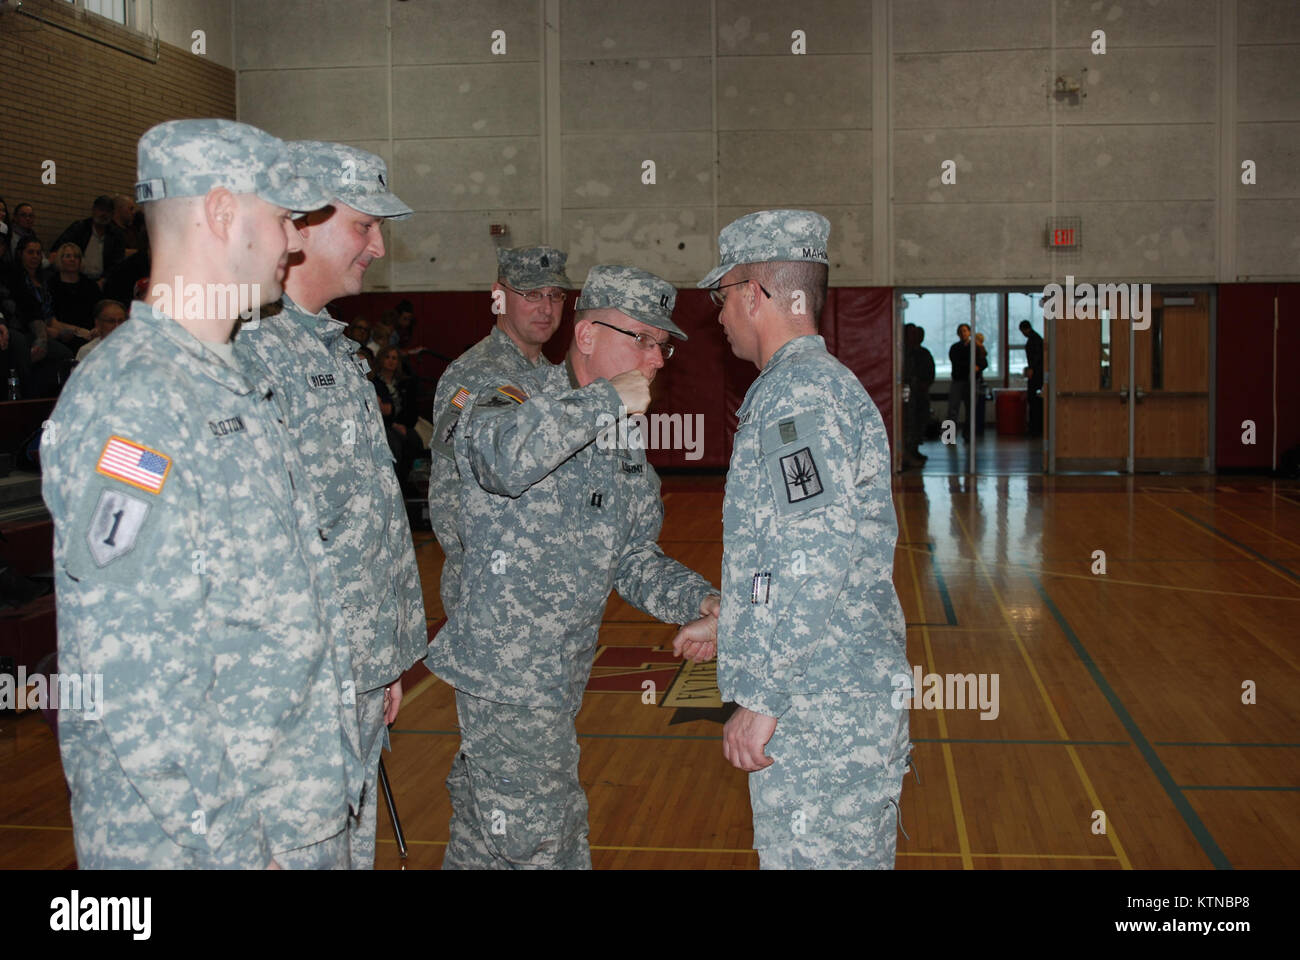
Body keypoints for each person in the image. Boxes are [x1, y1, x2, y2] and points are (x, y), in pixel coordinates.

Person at [40, 118, 365, 869]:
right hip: (203, 846)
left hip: (283, 818)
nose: (292, 242)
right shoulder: (137, 400)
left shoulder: (227, 379)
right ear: (222, 214)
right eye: (284, 218)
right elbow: (136, 677)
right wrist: (240, 850)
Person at [428, 264, 721, 869]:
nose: (657, 357)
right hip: (506, 676)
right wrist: (605, 400)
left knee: (487, 846)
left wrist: (700, 600)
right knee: (546, 845)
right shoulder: (509, 397)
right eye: (639, 337)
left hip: (559, 675)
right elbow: (502, 460)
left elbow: (635, 555)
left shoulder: (617, 431)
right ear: (586, 336)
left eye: (662, 343)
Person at [233, 140, 427, 869]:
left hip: (352, 674)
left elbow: (357, 518)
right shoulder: (243, 347)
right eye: (363, 225)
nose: (378, 246)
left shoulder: (333, 350)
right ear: (302, 224)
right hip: (293, 697)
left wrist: (378, 665)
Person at [699, 209, 910, 869]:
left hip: (823, 714)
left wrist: (765, 696)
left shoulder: (797, 399)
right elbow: (787, 556)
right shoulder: (805, 388)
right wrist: (733, 620)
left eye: (723, 296)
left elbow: (815, 558)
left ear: (756, 295)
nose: (719, 315)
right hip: (829, 702)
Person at [427, 245, 570, 617]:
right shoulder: (473, 375)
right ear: (499, 297)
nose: (546, 307)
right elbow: (447, 492)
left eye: (555, 295)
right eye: (531, 294)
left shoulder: (555, 379)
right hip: (492, 596)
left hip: (548, 589)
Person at [373, 344, 421, 490]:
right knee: (395, 443)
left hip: (403, 424)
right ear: (380, 359)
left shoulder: (405, 384)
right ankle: (393, 485)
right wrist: (392, 424)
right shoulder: (374, 383)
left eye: (394, 358)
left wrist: (404, 426)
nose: (391, 361)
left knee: (414, 440)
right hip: (383, 426)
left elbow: (411, 410)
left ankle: (408, 483)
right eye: (387, 357)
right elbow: (379, 412)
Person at [52, 195, 126, 283]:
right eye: (101, 210)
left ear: (112, 214)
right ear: (93, 210)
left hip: (103, 281)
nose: (104, 214)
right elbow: (59, 248)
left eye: (108, 211)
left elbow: (117, 263)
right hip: (77, 279)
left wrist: (104, 280)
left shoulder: (116, 235)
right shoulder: (79, 228)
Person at [47, 243, 99, 348]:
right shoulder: (50, 284)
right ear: (60, 260)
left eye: (76, 256)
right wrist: (77, 331)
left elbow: (99, 310)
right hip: (62, 334)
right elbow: (49, 317)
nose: (72, 259)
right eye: (68, 256)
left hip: (90, 334)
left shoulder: (90, 285)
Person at [902, 323, 934, 469]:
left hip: (922, 393)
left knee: (921, 421)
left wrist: (925, 384)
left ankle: (915, 449)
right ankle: (908, 453)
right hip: (909, 394)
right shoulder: (902, 352)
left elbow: (930, 371)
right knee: (909, 422)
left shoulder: (923, 353)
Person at [946, 323, 973, 440]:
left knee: (970, 410)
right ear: (958, 334)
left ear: (970, 332)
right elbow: (956, 362)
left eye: (965, 331)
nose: (963, 333)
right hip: (957, 381)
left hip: (971, 382)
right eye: (961, 331)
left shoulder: (975, 347)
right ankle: (949, 436)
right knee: (952, 409)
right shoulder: (954, 348)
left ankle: (968, 435)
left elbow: (983, 362)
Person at [1020, 319, 1043, 437]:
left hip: (1036, 375)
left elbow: (1037, 356)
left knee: (1034, 401)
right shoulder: (1036, 338)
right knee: (1035, 401)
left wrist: (1031, 368)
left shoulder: (1034, 340)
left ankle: (1035, 428)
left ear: (1025, 329)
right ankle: (1035, 427)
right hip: (1036, 373)